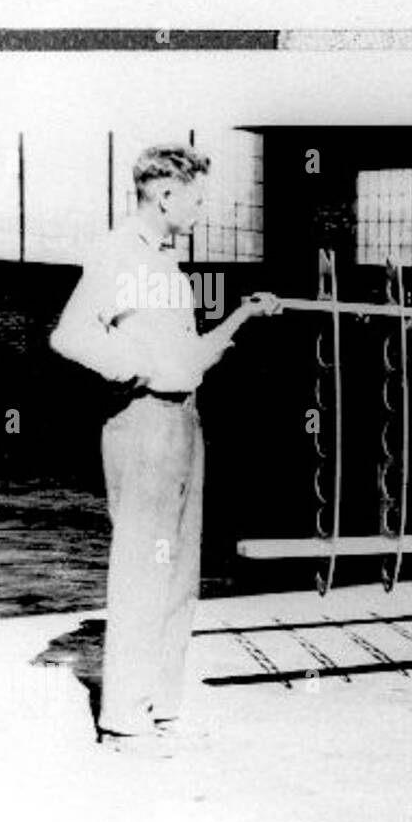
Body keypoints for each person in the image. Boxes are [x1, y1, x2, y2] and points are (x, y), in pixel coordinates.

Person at [50, 144, 280, 752]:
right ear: (165, 195)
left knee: (178, 572)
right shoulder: (120, 254)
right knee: (142, 569)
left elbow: (188, 360)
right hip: (143, 424)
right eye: (198, 198)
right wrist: (135, 370)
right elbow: (70, 335)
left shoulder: (170, 268)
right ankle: (124, 718)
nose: (204, 209)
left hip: (184, 421)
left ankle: (164, 707)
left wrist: (240, 320)